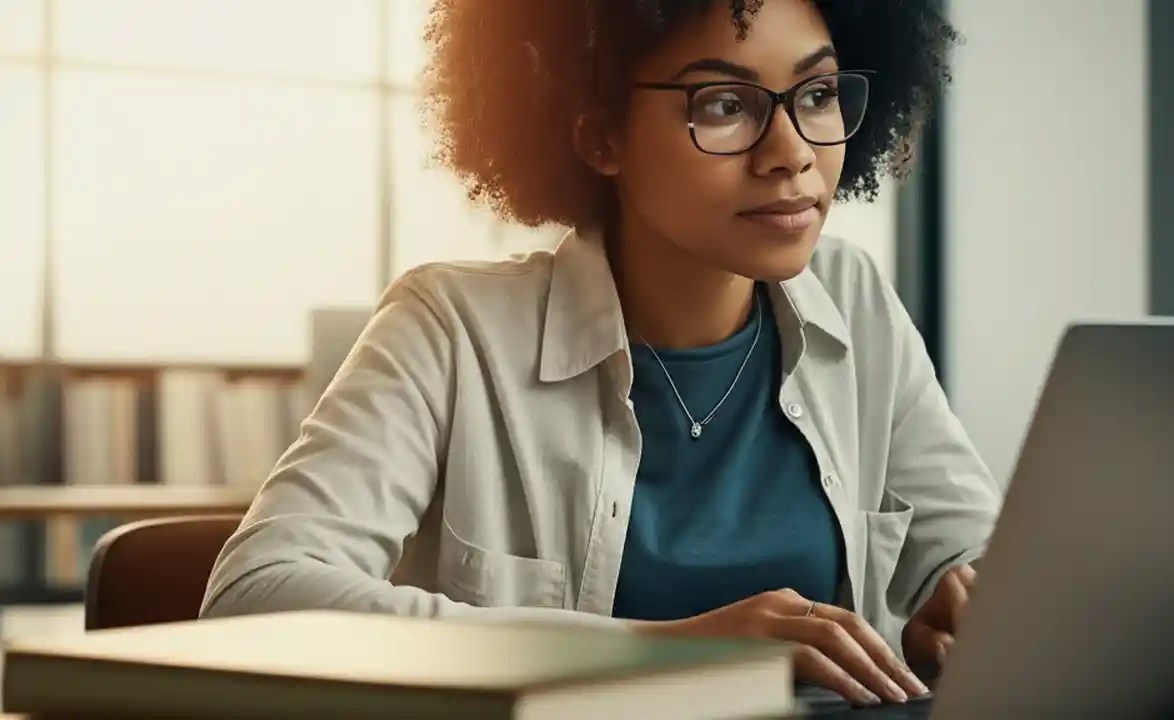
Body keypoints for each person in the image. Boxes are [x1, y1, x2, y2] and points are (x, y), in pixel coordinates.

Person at [201, 0, 1001, 707]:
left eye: (818, 94)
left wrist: (965, 618)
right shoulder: (449, 327)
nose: (791, 152)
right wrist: (666, 651)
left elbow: (983, 558)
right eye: (724, 104)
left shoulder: (855, 301)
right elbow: (257, 597)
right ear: (597, 135)